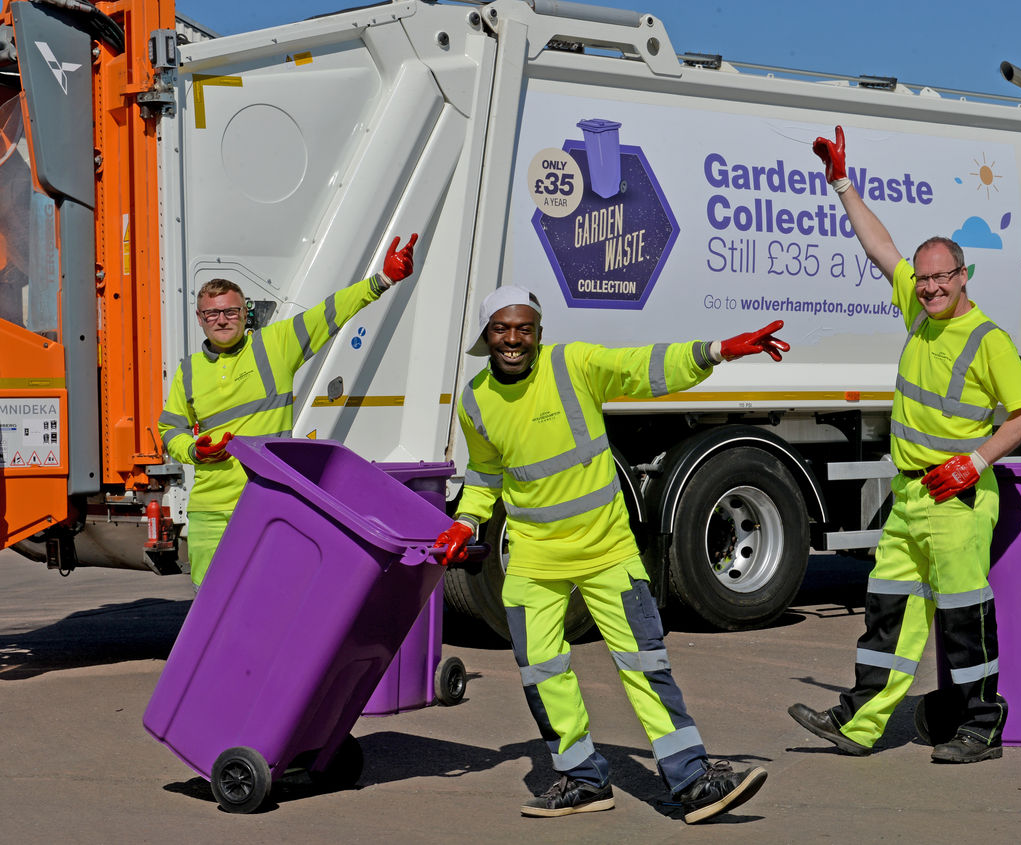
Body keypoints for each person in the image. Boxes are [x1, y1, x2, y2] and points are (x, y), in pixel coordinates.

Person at [434, 286, 786, 823]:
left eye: (523, 328)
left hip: (606, 547)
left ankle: (693, 782)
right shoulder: (476, 399)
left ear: (539, 333)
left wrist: (717, 351)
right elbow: (485, 473)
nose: (513, 339)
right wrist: (466, 518)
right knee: (542, 671)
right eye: (502, 329)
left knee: (645, 665)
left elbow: (645, 366)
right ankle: (582, 780)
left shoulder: (573, 364)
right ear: (486, 336)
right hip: (534, 555)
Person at [787, 126, 1021, 764]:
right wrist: (843, 184)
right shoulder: (919, 313)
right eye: (923, 281)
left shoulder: (988, 340)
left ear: (964, 276)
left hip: (959, 499)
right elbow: (881, 247)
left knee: (963, 621)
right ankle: (861, 722)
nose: (928, 289)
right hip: (909, 496)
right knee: (887, 613)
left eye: (940, 280)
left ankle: (982, 728)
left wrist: (975, 461)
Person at [157, 234, 420, 589]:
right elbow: (170, 430)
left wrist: (382, 280)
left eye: (231, 311)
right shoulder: (188, 370)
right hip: (209, 509)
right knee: (211, 600)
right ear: (200, 318)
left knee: (270, 593)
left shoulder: (275, 345)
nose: (222, 320)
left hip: (266, 499)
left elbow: (330, 312)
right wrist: (192, 450)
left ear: (245, 312)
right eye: (212, 313)